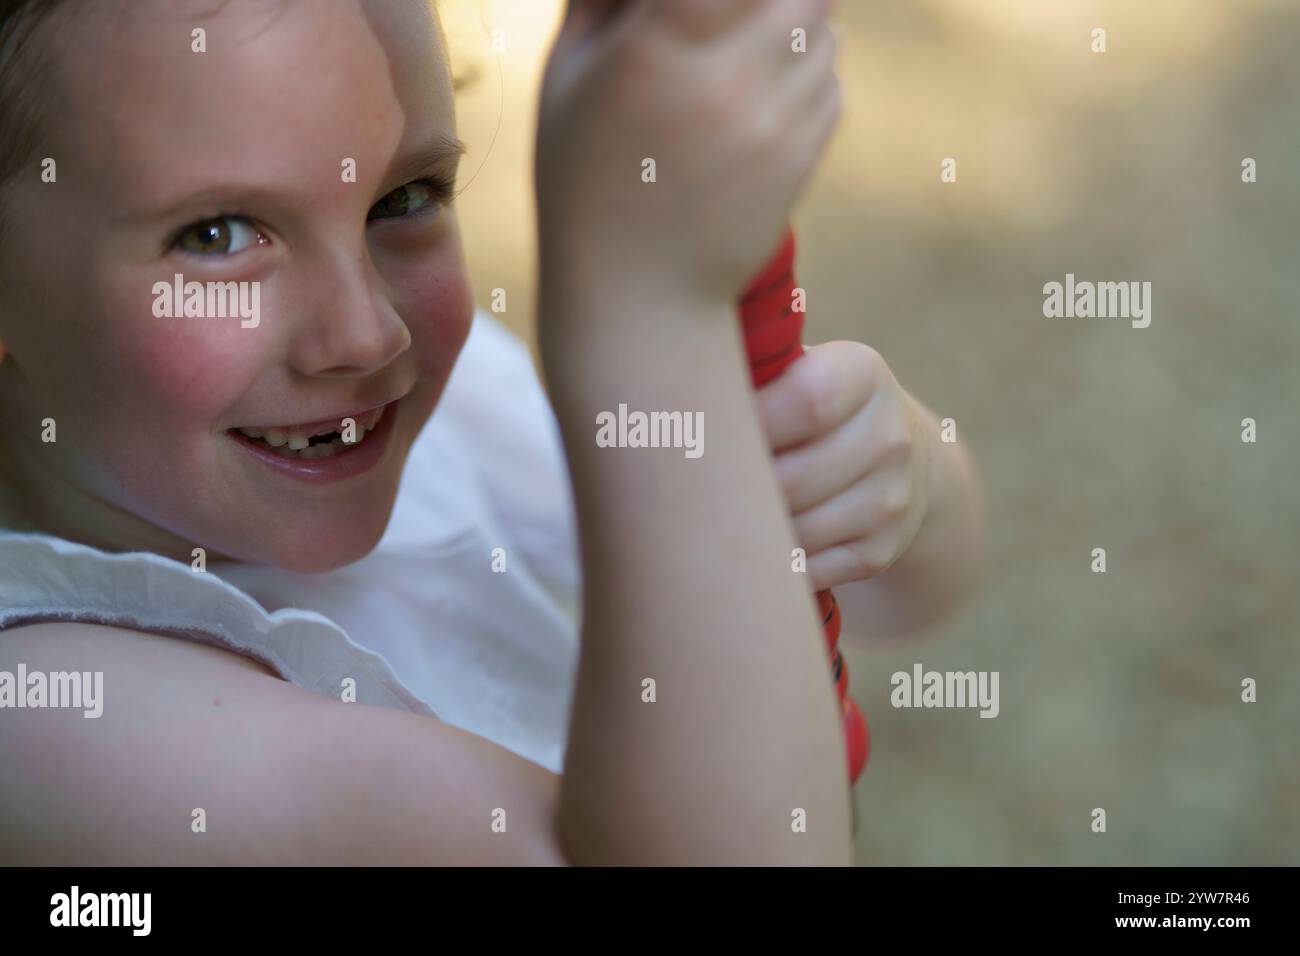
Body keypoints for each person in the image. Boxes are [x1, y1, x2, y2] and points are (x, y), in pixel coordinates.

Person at [0, 0, 982, 864]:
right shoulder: (51, 720)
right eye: (216, 234)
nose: (367, 331)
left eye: (405, 199)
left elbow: (897, 597)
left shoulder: (454, 414)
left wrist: (904, 485)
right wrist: (642, 308)